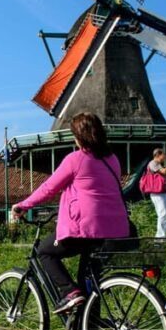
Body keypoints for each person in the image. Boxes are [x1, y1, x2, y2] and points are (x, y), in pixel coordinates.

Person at [12, 112, 128, 313]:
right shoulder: (113, 160)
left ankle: (69, 292)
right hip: (116, 229)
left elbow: (49, 188)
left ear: (79, 137)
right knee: (89, 280)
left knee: (45, 251)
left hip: (87, 228)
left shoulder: (76, 159)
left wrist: (24, 205)